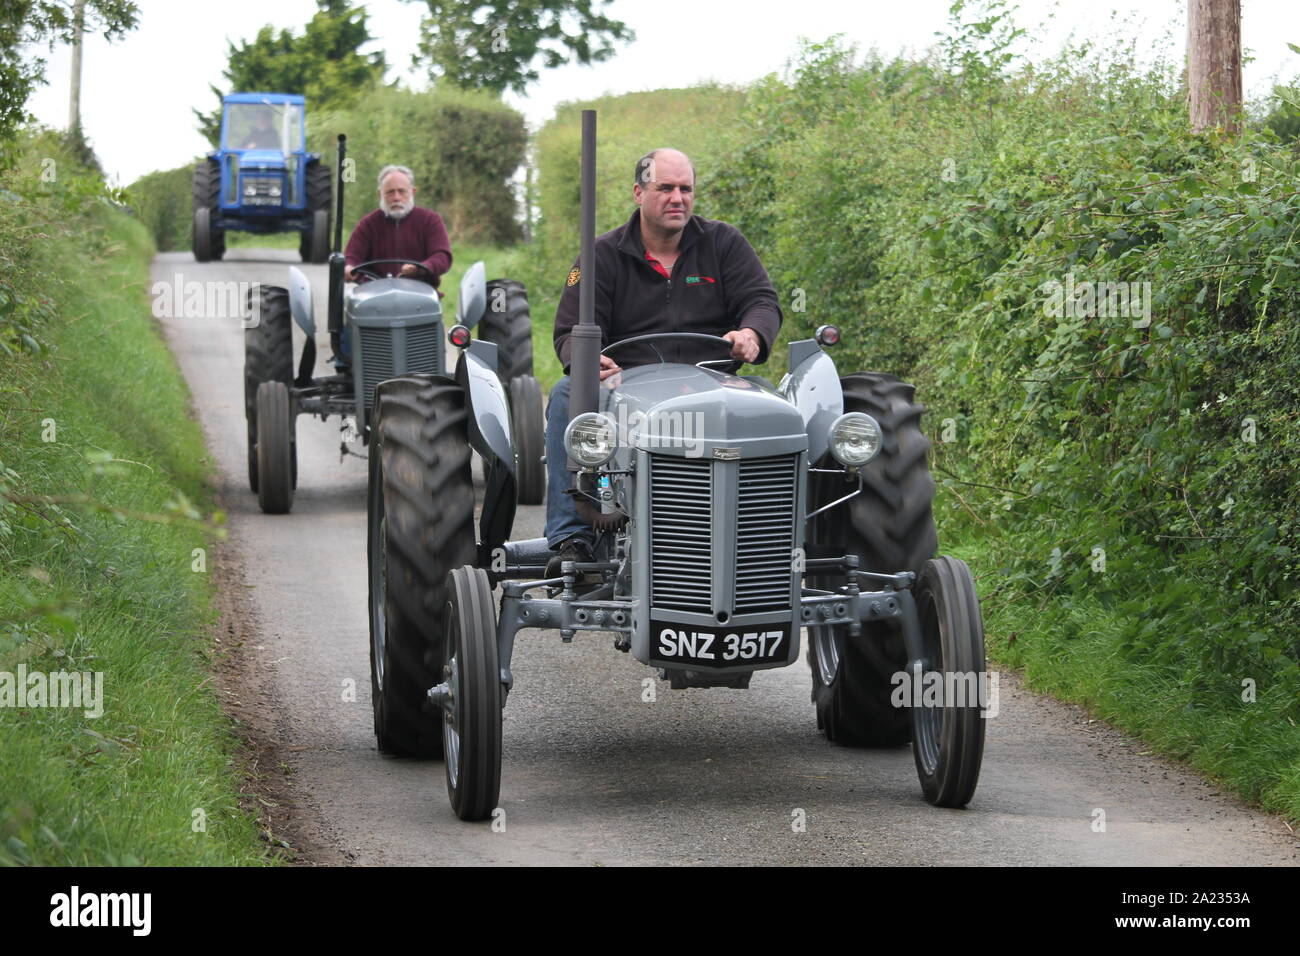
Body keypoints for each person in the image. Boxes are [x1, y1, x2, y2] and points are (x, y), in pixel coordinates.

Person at [544, 147, 782, 575]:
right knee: (567, 394)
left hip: (714, 380)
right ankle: (571, 537)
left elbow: (761, 301)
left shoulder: (724, 243)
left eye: (686, 188)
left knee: (777, 408)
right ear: (639, 193)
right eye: (665, 188)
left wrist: (752, 333)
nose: (678, 198)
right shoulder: (601, 256)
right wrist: (588, 361)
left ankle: (775, 537)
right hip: (627, 382)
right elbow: (568, 332)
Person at [344, 165, 452, 286]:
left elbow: (442, 257)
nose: (396, 198)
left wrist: (420, 268)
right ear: (380, 194)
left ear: (413, 192)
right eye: (390, 192)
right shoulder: (368, 224)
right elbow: (352, 256)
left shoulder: (430, 220)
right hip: (375, 294)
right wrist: (349, 268)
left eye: (401, 191)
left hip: (420, 293)